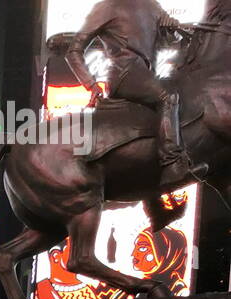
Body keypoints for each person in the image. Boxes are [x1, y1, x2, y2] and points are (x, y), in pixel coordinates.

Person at [64, 0, 206, 186]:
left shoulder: (152, 5)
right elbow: (73, 50)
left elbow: (164, 45)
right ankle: (172, 164)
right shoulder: (107, 6)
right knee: (167, 97)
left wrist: (170, 30)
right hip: (124, 71)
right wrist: (91, 84)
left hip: (144, 71)